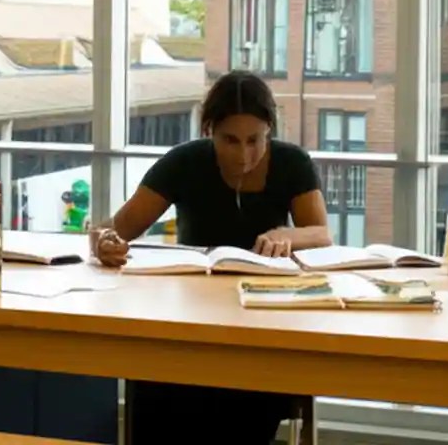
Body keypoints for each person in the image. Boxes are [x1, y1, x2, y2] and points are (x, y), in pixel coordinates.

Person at [90, 69, 332, 444]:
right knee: (156, 378)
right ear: (210, 131)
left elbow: (321, 234)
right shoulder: (184, 161)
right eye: (229, 140)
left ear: (269, 130)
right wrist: (103, 242)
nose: (243, 155)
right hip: (191, 317)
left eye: (254, 140)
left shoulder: (291, 163)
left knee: (242, 393)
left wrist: (287, 235)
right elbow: (115, 229)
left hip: (262, 319)